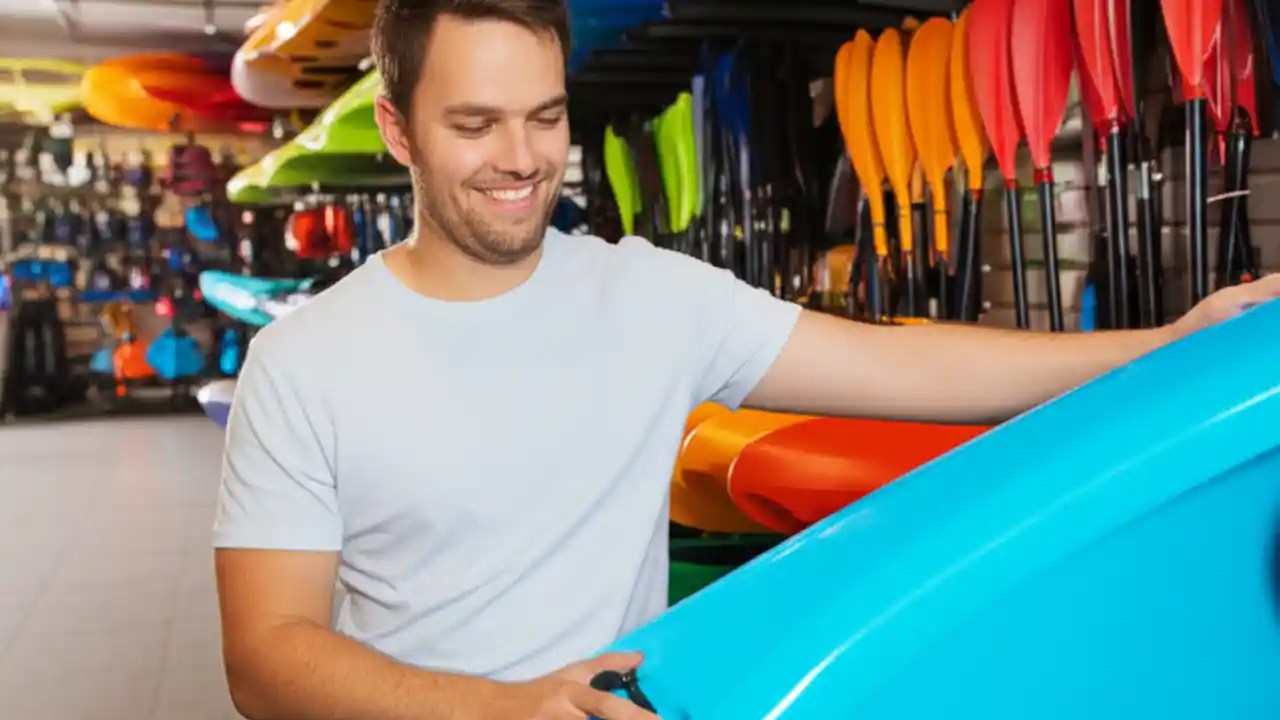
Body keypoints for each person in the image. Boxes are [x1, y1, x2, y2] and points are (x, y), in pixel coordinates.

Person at [212, 1, 1280, 718]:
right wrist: (511, 708)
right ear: (399, 131)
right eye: (474, 123)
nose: (520, 158)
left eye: (543, 117)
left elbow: (911, 372)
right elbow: (266, 656)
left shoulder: (646, 297)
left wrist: (1164, 345)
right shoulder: (309, 362)